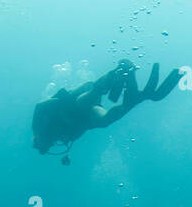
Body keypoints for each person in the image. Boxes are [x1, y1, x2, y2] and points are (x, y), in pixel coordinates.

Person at [32, 60, 182, 163]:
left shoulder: (37, 127)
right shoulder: (62, 139)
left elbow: (40, 106)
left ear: (36, 139)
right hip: (85, 117)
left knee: (85, 101)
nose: (48, 145)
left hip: (72, 102)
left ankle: (117, 72)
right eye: (47, 147)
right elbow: (83, 128)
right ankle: (134, 99)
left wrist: (61, 101)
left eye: (41, 145)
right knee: (104, 121)